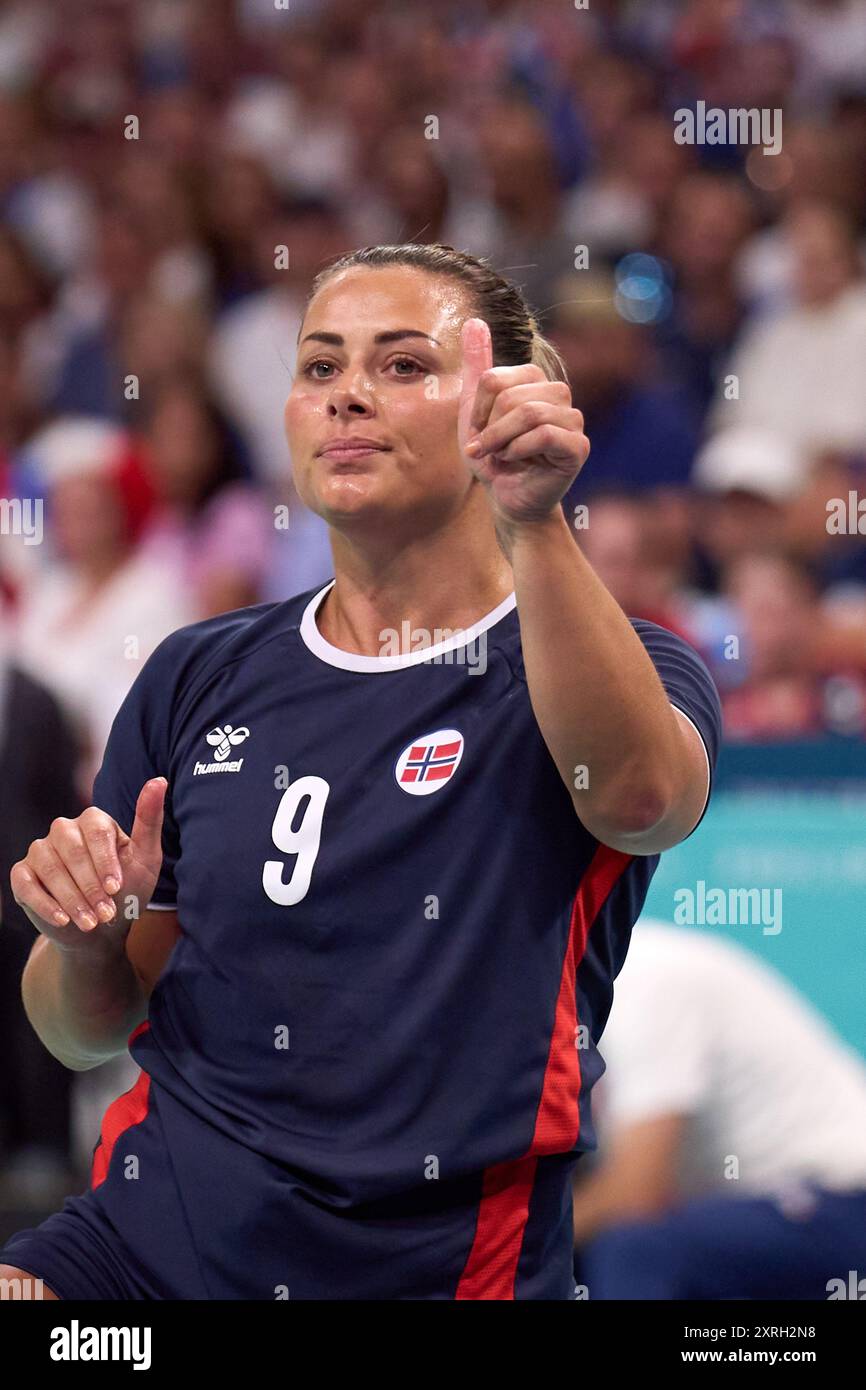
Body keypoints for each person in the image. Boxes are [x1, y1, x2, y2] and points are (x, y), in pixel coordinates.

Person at [1, 243, 721, 1301]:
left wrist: (531, 521)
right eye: (319, 366)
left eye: (401, 366)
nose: (346, 398)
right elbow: (77, 1028)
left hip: (424, 1270)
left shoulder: (621, 663)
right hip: (147, 1247)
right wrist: (88, 942)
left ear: (507, 403)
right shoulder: (199, 671)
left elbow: (639, 801)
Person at [572, 919, 866, 1299]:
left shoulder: (646, 977)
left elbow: (635, 1193)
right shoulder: (577, 992)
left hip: (843, 1204)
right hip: (743, 1210)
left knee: (634, 1251)